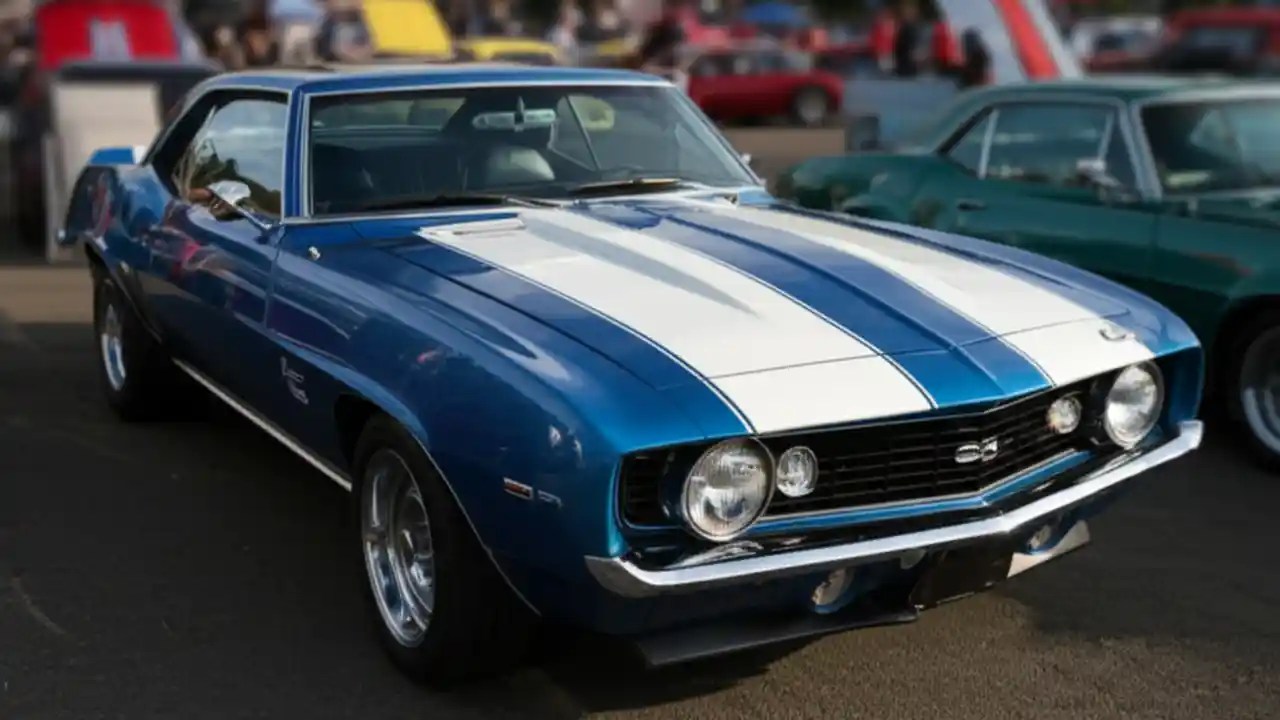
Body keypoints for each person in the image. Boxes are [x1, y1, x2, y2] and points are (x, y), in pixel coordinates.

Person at [892, 0, 921, 77]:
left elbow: (913, 48)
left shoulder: (911, 28)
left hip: (908, 66)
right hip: (903, 65)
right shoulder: (904, 27)